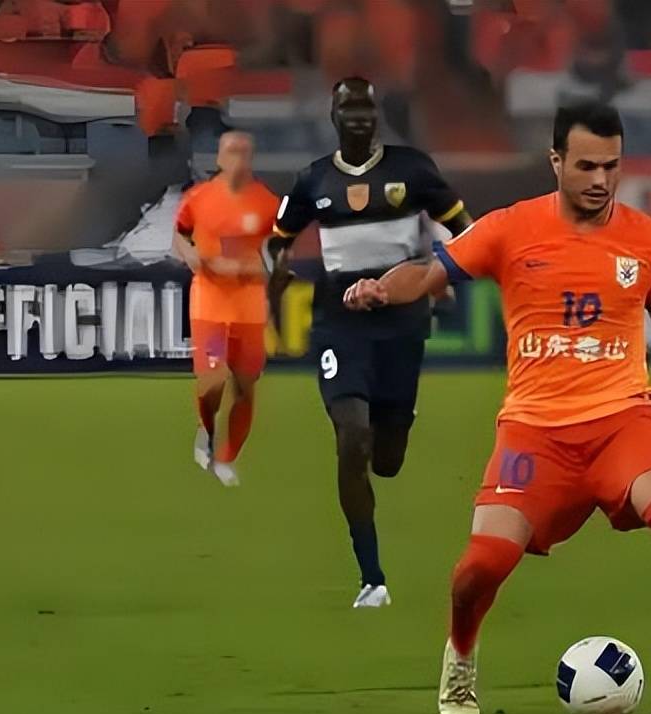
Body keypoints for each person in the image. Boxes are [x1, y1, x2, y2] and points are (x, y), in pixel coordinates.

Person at [345, 100, 651, 714]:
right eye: (587, 166)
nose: (600, 180)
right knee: (479, 568)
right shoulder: (510, 228)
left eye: (611, 166)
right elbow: (430, 273)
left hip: (622, 418)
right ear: (556, 161)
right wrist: (383, 289)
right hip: (534, 432)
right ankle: (460, 660)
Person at [265, 77, 472, 609]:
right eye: (347, 108)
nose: (358, 116)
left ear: (377, 115)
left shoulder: (413, 169)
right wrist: (278, 272)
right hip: (340, 325)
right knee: (352, 436)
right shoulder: (312, 180)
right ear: (333, 117)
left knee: (387, 461)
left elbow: (466, 232)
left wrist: (441, 274)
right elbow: (277, 241)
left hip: (403, 324)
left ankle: (398, 416)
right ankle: (372, 577)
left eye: (366, 107)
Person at [173, 131, 278, 487]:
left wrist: (260, 269)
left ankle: (228, 456)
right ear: (219, 158)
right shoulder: (198, 198)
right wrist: (189, 254)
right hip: (210, 305)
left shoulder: (266, 203)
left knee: (245, 385)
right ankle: (205, 428)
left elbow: (280, 251)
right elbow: (180, 233)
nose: (237, 159)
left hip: (249, 308)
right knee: (213, 379)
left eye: (244, 153)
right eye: (231, 152)